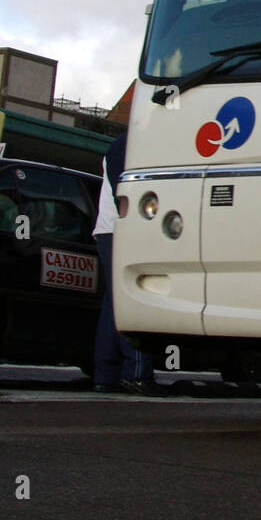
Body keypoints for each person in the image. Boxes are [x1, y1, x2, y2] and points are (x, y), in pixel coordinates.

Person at [92, 132, 158, 394]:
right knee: (132, 297)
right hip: (120, 231)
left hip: (110, 231)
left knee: (115, 302)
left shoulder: (122, 143)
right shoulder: (128, 144)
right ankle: (137, 371)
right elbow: (126, 192)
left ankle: (105, 374)